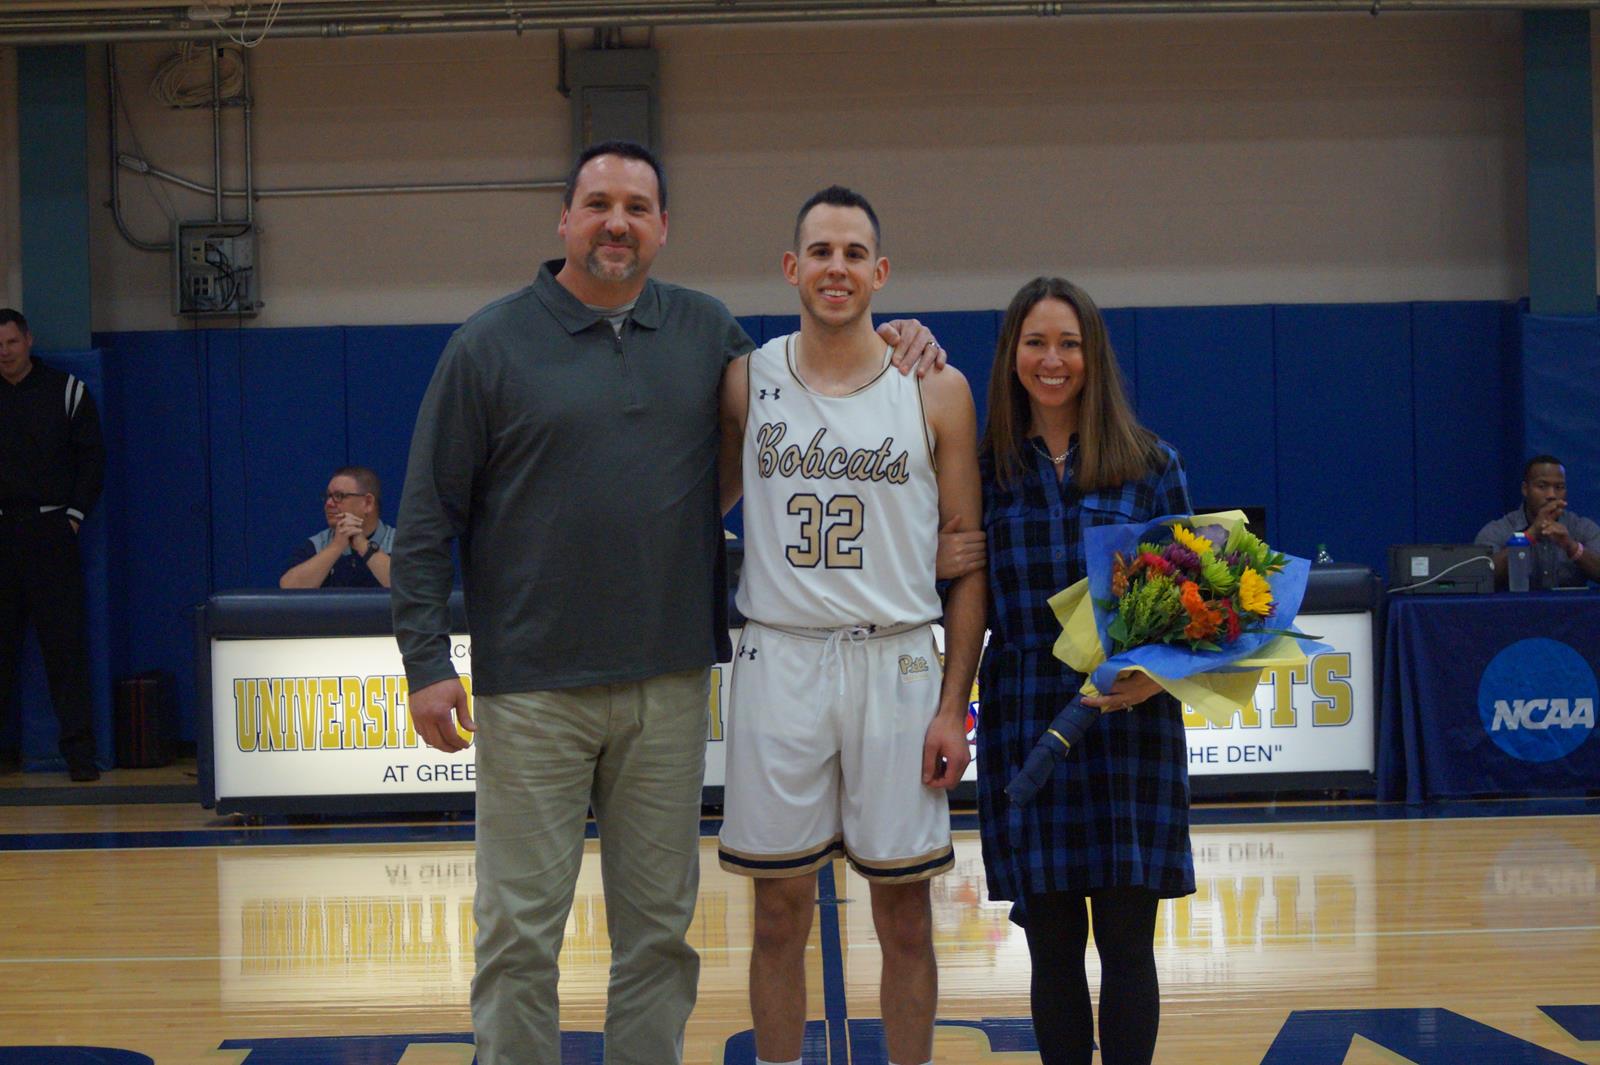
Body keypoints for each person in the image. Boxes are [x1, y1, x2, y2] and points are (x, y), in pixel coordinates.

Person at [389, 142, 942, 1065]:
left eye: (637, 208)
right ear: (565, 219)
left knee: (657, 937)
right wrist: (424, 662)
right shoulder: (488, 345)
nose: (618, 222)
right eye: (599, 204)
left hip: (670, 682)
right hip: (533, 688)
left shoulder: (706, 332)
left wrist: (902, 336)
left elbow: (820, 380)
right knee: (520, 932)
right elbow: (423, 516)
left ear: (663, 228)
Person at [715, 186, 985, 1065]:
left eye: (854, 253)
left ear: (882, 271)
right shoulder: (746, 379)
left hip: (896, 660)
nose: (837, 268)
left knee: (904, 914)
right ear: (791, 268)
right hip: (780, 657)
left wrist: (954, 705)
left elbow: (968, 559)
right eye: (821, 252)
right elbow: (699, 500)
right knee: (777, 912)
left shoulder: (936, 388)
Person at [975, 278, 1194, 1065]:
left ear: (1093, 356)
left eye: (1069, 343)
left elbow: (1194, 604)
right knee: (1052, 944)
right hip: (1026, 713)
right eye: (1036, 342)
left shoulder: (1151, 463)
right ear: (1012, 355)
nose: (1053, 359)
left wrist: (1156, 676)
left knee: (1129, 943)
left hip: (1130, 724)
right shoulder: (985, 469)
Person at [0, 308, 104, 782]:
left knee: (64, 649)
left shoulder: (67, 390)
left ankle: (80, 756)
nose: (5, 352)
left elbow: (92, 461)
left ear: (28, 341)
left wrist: (74, 518)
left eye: (11, 342)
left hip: (50, 533)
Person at [1475, 455, 1600, 589]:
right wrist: (1530, 535)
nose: (1551, 495)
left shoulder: (1582, 527)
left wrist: (1571, 546)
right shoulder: (1499, 530)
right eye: (1542, 486)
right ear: (1525, 489)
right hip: (1516, 603)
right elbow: (1479, 578)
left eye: (1559, 487)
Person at [279, 466, 395, 589]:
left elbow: (407, 587)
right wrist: (336, 546)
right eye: (328, 496)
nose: (328, 503)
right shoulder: (317, 544)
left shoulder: (399, 542)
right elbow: (288, 588)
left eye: (339, 496)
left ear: (368, 503)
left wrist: (363, 545)